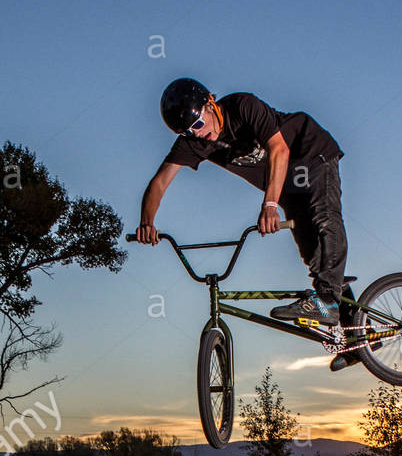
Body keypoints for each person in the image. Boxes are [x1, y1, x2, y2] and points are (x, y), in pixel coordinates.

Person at [137, 78, 352, 354]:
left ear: (211, 104)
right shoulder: (194, 143)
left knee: (324, 218)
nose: (198, 135)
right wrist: (147, 222)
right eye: (189, 132)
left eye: (199, 125)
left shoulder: (243, 106)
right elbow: (160, 182)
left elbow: (280, 149)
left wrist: (270, 205)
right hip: (285, 184)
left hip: (311, 154)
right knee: (314, 255)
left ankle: (328, 302)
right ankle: (355, 334)